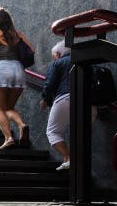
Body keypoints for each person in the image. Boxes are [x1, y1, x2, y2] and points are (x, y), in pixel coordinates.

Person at [0, 6, 32, 149]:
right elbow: (31, 51)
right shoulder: (18, 34)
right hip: (19, 70)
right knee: (9, 107)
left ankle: (8, 138)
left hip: (2, 69)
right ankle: (22, 124)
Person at [40, 40, 72, 171]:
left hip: (65, 98)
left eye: (53, 56)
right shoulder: (82, 59)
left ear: (58, 53)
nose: (53, 59)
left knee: (52, 132)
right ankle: (67, 160)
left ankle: (68, 158)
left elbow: (49, 83)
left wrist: (45, 99)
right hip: (87, 101)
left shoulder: (58, 63)